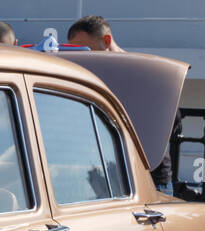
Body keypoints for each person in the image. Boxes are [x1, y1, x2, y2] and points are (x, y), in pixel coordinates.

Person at [67, 15, 176, 193]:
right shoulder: (94, 75)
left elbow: (169, 121)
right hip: (106, 174)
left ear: (107, 40)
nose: (81, 57)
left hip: (148, 177)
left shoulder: (144, 73)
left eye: (86, 49)